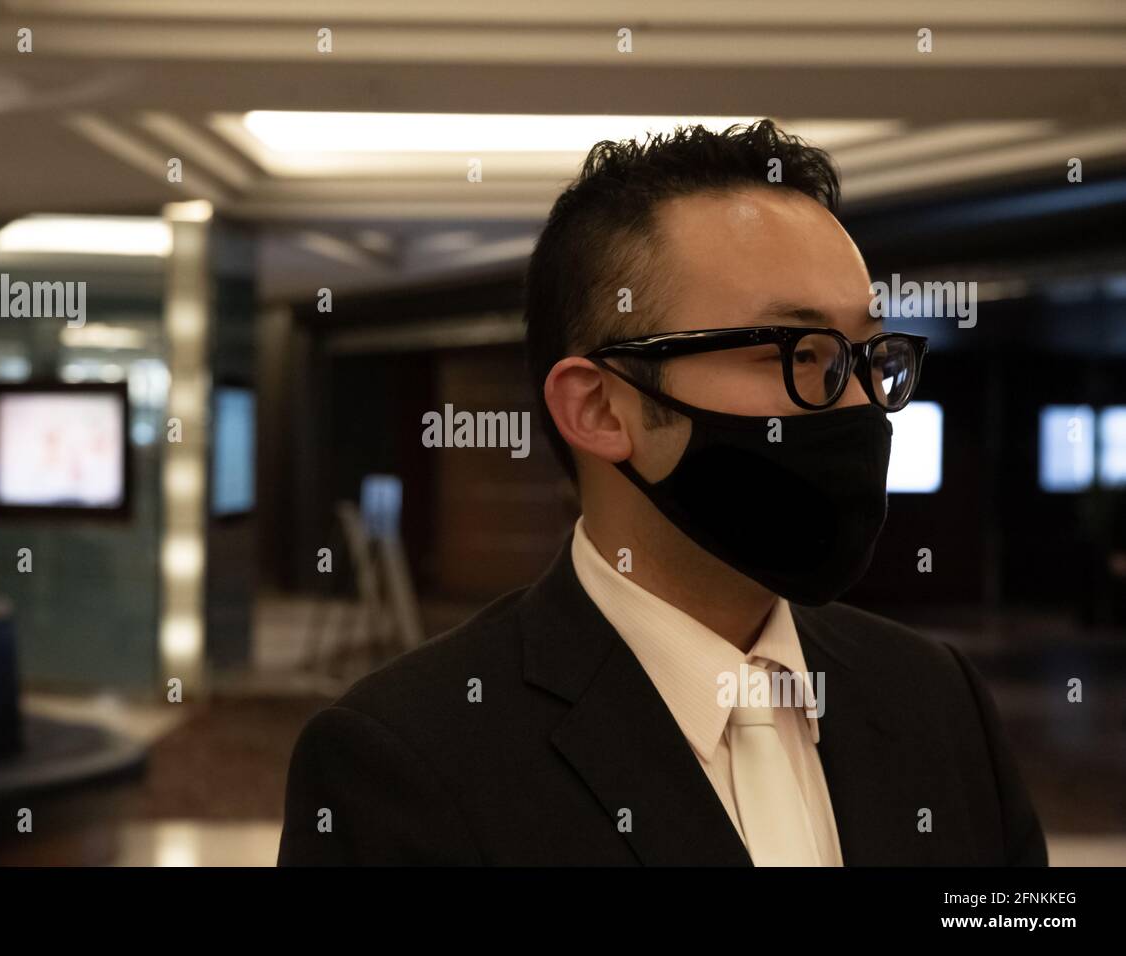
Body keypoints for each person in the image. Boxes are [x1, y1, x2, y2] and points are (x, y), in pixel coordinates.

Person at [277, 120, 1047, 866]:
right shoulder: (405, 759)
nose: (859, 407)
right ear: (600, 408)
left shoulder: (937, 702)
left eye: (866, 355)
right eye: (797, 352)